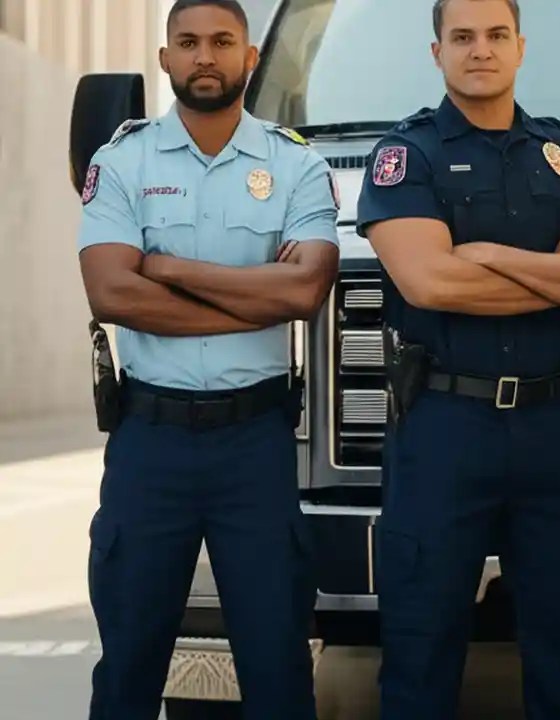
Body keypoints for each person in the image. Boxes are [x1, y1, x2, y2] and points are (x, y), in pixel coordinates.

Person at [353, 0, 560, 717]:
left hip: (555, 428)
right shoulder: (406, 156)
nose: (480, 50)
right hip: (445, 425)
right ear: (437, 52)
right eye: (463, 37)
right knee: (421, 651)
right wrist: (557, 271)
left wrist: (487, 255)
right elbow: (430, 283)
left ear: (520, 47)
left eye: (496, 35)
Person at [75, 1, 340, 718]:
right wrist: (256, 298)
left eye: (223, 42)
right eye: (187, 42)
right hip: (149, 443)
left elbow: (306, 291)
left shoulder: (295, 164)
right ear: (165, 58)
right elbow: (111, 292)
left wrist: (166, 268)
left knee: (278, 666)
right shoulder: (121, 161)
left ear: (250, 58)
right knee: (128, 666)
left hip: (255, 446)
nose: (205, 56)